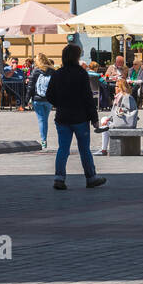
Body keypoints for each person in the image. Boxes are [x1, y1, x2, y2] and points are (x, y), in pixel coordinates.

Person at [47, 44, 106, 190]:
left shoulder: (57, 73)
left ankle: (59, 178)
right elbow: (88, 98)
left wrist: (60, 104)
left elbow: (49, 95)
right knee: (84, 149)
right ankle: (91, 177)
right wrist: (94, 119)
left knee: (63, 148)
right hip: (80, 117)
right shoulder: (81, 73)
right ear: (76, 57)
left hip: (62, 117)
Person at [98, 78, 139, 154]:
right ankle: (103, 148)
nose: (115, 88)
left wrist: (121, 110)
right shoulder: (118, 97)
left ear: (121, 88)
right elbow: (113, 112)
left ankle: (103, 149)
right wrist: (108, 119)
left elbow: (131, 110)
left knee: (104, 124)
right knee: (104, 120)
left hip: (125, 122)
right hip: (120, 120)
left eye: (117, 86)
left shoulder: (127, 97)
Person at [29, 55, 56, 149]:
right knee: (45, 119)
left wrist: (26, 99)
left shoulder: (36, 70)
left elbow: (30, 86)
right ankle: (44, 139)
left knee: (41, 120)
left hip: (37, 99)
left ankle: (43, 140)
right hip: (48, 99)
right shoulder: (52, 71)